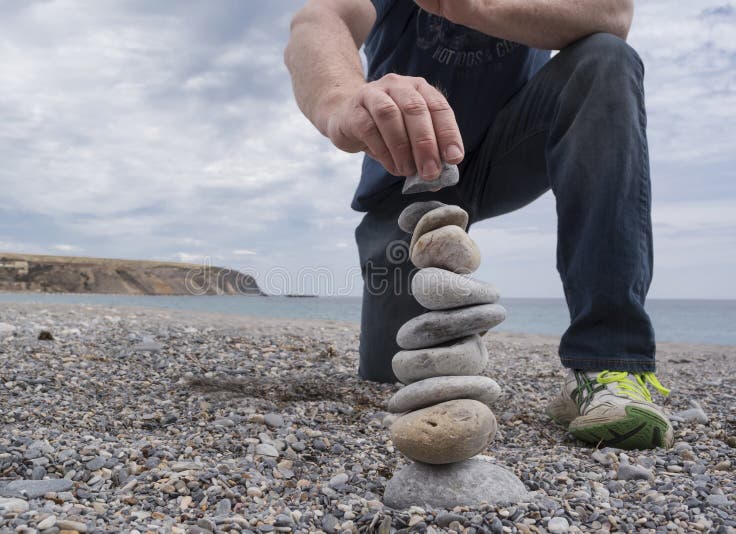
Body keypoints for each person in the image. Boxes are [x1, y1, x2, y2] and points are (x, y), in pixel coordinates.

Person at [284, 0, 673, 450]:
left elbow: (612, 17)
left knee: (606, 57)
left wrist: (471, 6)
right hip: (405, 172)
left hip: (507, 149)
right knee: (390, 370)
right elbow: (319, 19)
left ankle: (611, 363)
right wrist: (340, 102)